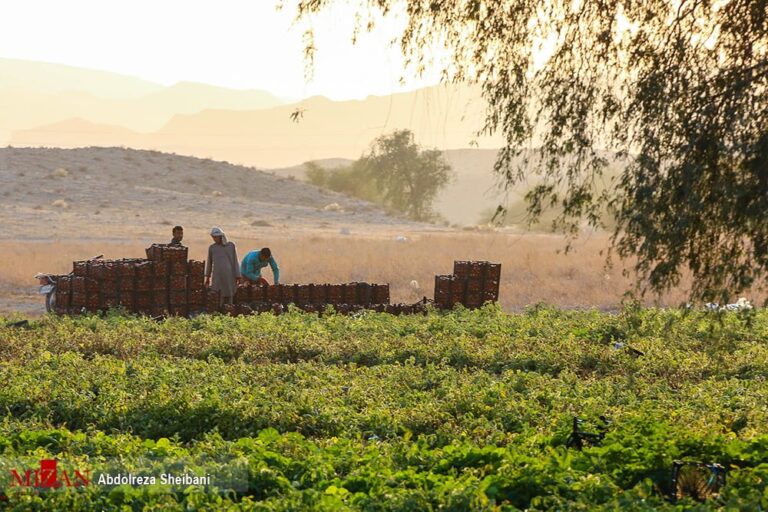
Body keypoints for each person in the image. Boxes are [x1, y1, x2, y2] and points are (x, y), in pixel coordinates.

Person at [204, 227, 240, 305]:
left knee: (229, 293)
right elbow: (209, 263)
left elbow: (235, 261)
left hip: (229, 275)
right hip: (217, 275)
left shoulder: (230, 246)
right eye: (213, 237)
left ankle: (229, 310)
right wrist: (207, 277)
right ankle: (219, 311)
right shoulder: (212, 248)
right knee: (218, 294)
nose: (214, 239)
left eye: (216, 237)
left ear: (221, 236)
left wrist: (238, 275)